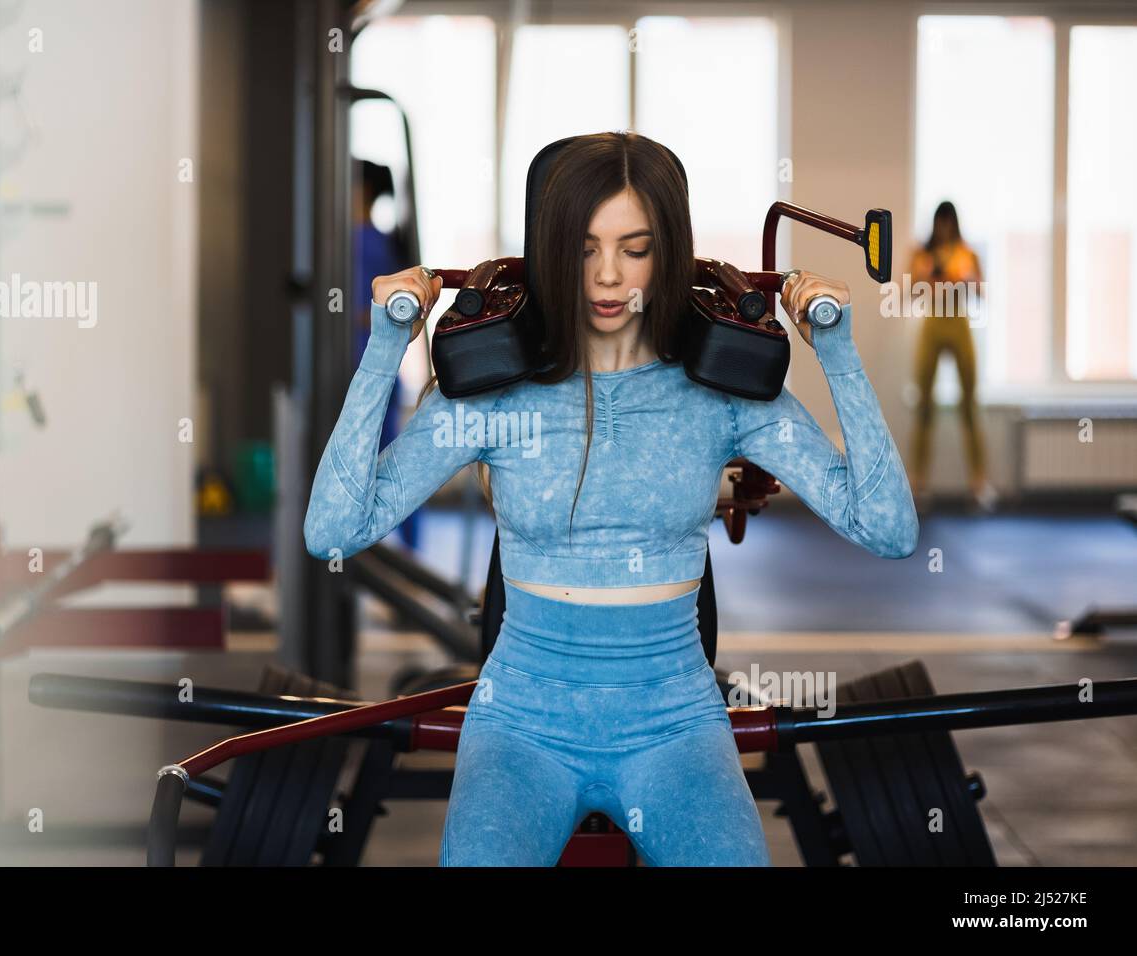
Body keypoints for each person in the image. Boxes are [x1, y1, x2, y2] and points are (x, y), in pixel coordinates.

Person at [305, 131, 918, 866]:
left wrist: (838, 353)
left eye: (635, 248)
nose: (607, 276)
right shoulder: (496, 388)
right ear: (552, 249)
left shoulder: (722, 390)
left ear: (671, 250)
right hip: (521, 727)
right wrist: (385, 346)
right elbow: (332, 532)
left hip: (676, 725)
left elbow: (888, 530)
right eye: (585, 248)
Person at [908, 200, 998, 513]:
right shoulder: (922, 253)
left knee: (970, 403)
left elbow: (980, 292)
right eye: (940, 220)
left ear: (954, 222)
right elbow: (911, 291)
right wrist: (929, 278)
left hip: (958, 325)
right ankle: (918, 482)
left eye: (949, 220)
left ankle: (979, 482)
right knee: (923, 404)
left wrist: (963, 281)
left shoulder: (967, 252)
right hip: (933, 325)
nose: (944, 226)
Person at [352, 158, 422, 549]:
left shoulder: (359, 241)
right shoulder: (374, 241)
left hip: (365, 375)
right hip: (374, 376)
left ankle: (405, 556)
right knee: (390, 471)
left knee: (384, 474)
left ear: (361, 191)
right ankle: (407, 553)